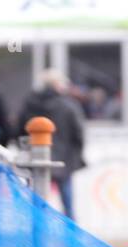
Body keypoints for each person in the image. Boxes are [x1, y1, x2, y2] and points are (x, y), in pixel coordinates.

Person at [16, 69, 87, 220]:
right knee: (67, 202)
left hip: (34, 158)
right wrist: (76, 155)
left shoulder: (30, 104)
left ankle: (36, 229)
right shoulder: (68, 106)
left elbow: (19, 129)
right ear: (58, 84)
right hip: (63, 160)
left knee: (36, 200)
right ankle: (71, 237)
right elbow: (78, 133)